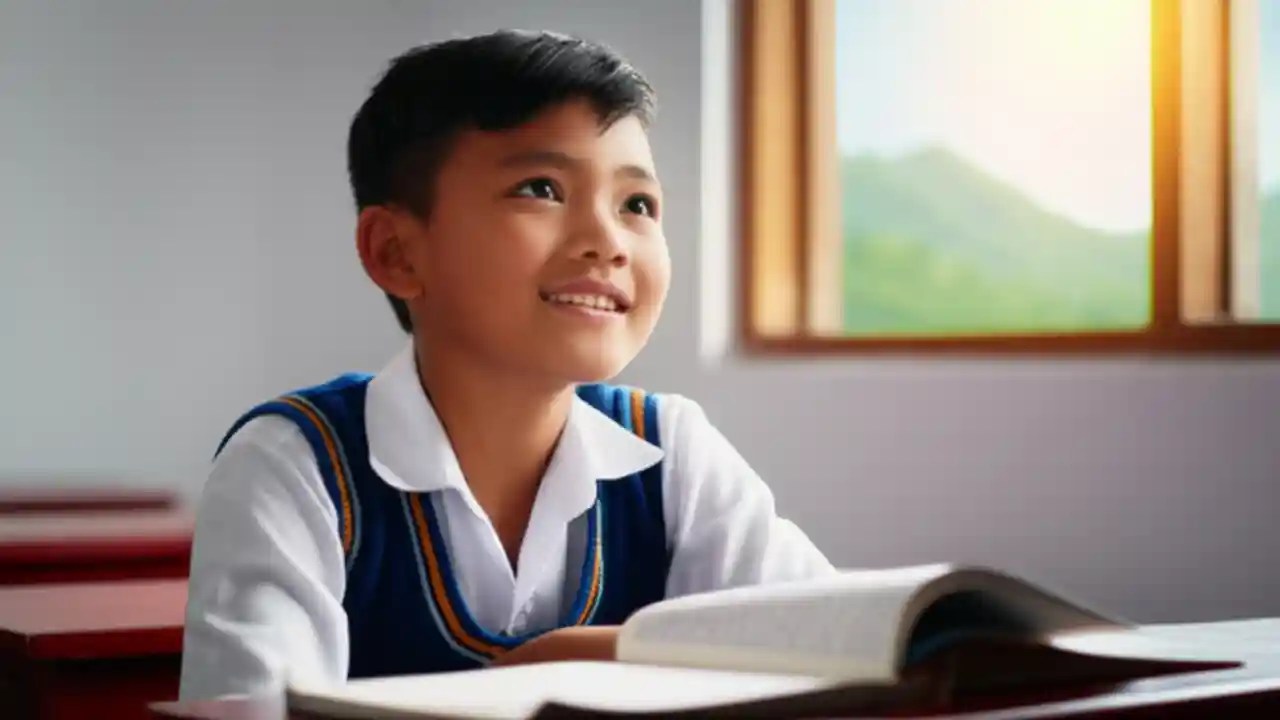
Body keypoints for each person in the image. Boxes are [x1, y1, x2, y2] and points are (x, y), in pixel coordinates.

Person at [179, 29, 834, 701]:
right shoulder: (296, 465)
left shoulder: (671, 452)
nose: (607, 242)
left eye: (636, 204)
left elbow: (838, 647)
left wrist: (579, 656)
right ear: (396, 253)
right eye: (541, 188)